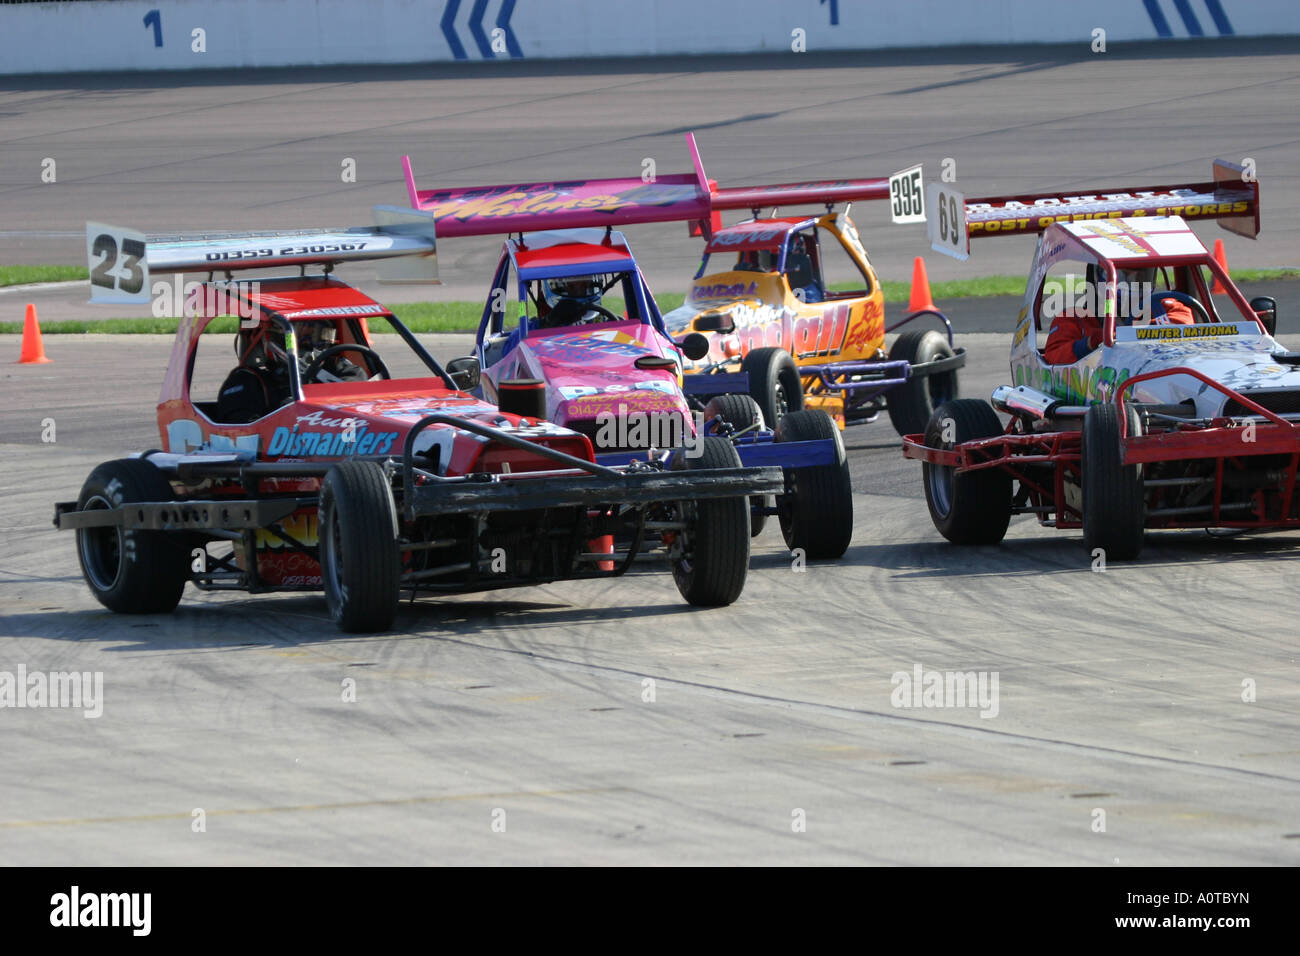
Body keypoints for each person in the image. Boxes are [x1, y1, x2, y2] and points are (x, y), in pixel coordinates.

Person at [1043, 265, 1194, 364]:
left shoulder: (1167, 308)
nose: (1131, 284)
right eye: (1123, 277)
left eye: (1139, 278)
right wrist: (1090, 343)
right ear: (1100, 278)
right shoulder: (1074, 319)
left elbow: (1188, 329)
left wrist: (1141, 333)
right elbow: (1052, 358)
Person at [537, 276, 606, 328]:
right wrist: (547, 322)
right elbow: (528, 331)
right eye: (572, 282)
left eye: (585, 280)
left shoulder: (599, 319)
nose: (579, 288)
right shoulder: (548, 320)